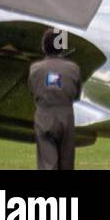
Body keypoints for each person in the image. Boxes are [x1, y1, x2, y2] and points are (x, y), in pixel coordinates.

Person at [28, 28, 82, 171]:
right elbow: (77, 94)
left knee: (47, 162)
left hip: (44, 114)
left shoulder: (35, 68)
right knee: (67, 162)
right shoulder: (74, 68)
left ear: (44, 46)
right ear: (63, 47)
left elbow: (32, 91)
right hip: (66, 114)